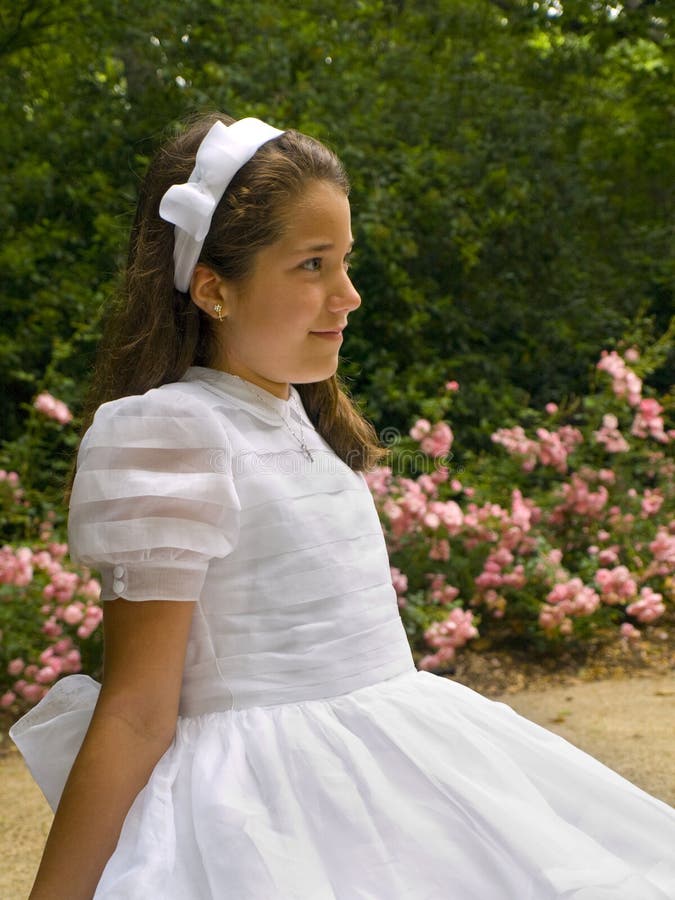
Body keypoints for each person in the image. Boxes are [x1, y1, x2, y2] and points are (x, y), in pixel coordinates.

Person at [10, 112, 675, 900]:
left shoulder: (292, 415)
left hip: (396, 762)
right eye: (311, 266)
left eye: (345, 263)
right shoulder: (169, 433)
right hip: (266, 814)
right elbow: (135, 711)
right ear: (214, 287)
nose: (348, 296)